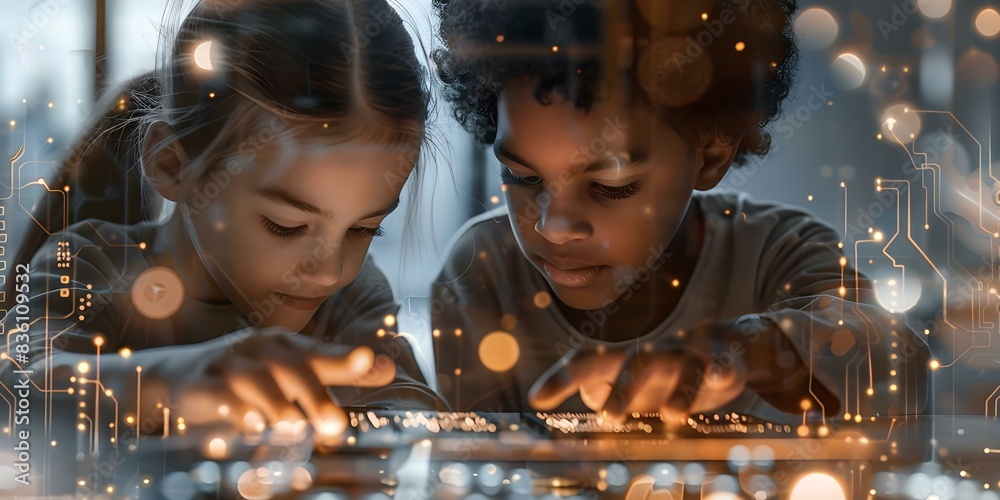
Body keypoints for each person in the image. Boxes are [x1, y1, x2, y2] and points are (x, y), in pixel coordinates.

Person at [429, 0, 929, 423]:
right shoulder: (481, 271)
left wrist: (744, 351)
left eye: (610, 186)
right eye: (524, 178)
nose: (552, 227)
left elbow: (894, 362)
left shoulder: (778, 251)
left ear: (711, 153)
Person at [1, 0, 445, 472]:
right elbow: (19, 398)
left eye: (364, 230)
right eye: (286, 226)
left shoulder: (350, 299)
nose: (331, 270)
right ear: (172, 164)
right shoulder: (88, 266)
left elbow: (414, 416)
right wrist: (180, 382)